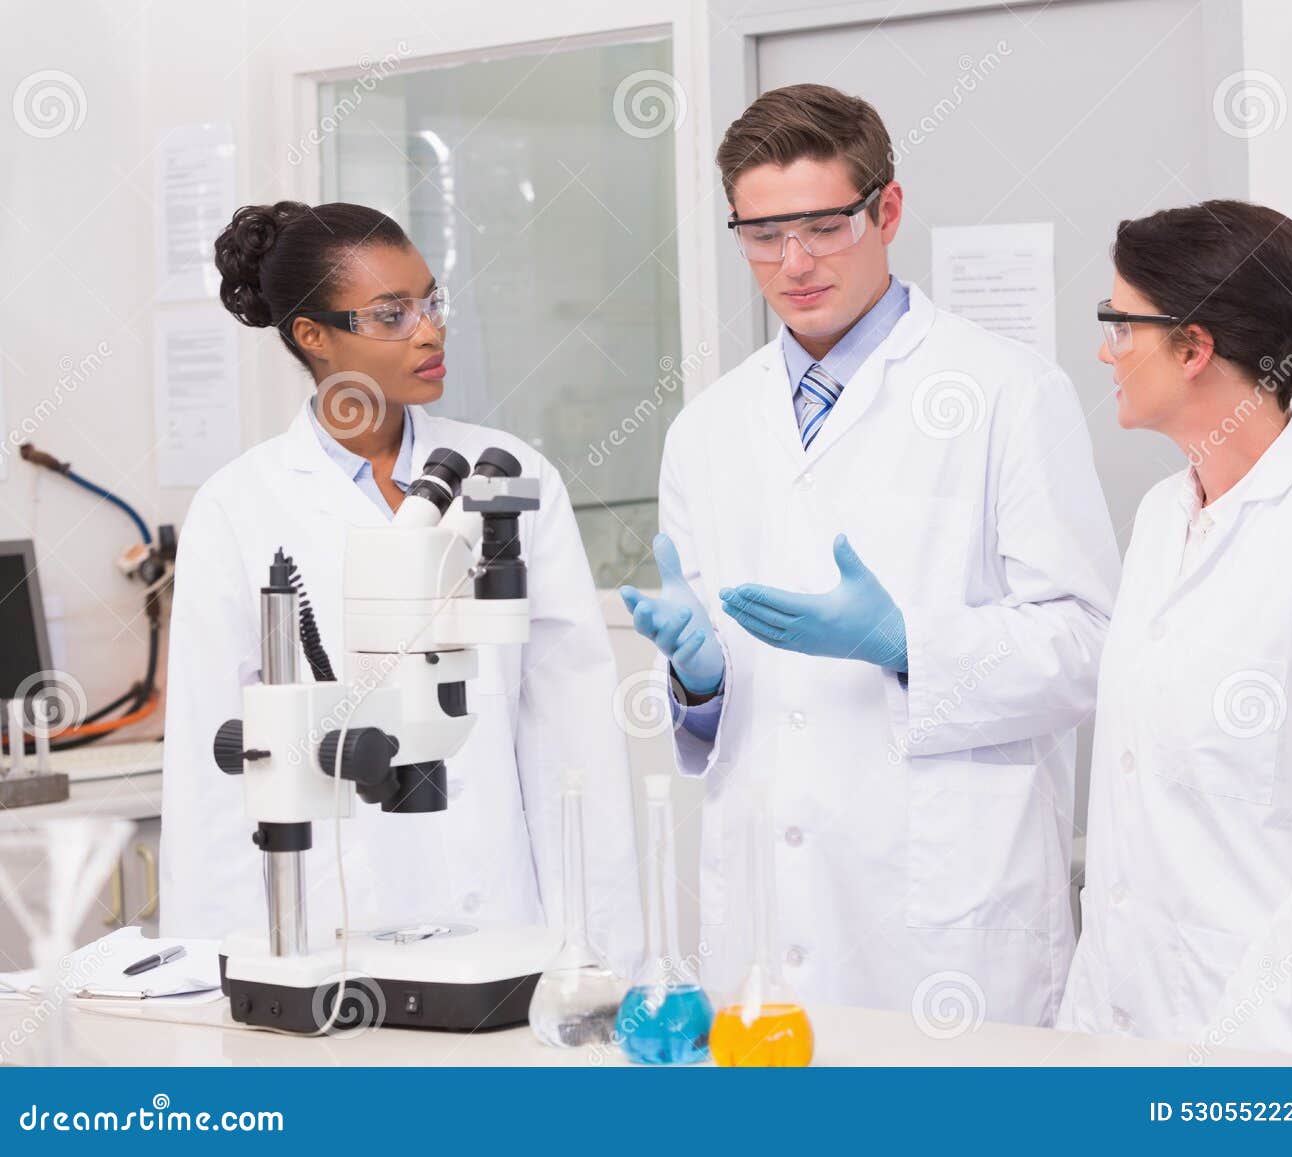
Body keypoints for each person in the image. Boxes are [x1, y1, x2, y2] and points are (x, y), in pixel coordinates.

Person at [618, 85, 1119, 1025]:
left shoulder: (1010, 392)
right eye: (763, 233)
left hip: (943, 918)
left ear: (887, 209)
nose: (794, 262)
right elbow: (715, 707)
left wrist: (904, 643)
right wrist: (696, 680)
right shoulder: (707, 429)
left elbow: (1090, 646)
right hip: (767, 917)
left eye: (823, 225)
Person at [159, 201, 643, 976]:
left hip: (500, 916)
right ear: (313, 337)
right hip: (322, 925)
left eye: (432, 301)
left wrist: (604, 955)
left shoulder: (507, 475)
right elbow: (209, 772)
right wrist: (217, 975)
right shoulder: (237, 506)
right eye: (391, 314)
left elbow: (572, 736)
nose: (429, 330)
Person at [1061, 200, 1292, 1053]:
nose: (1105, 349)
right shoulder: (1162, 517)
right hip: (1117, 1030)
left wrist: (1240, 1048)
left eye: (1120, 325)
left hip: (1259, 1051)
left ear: (1194, 348)